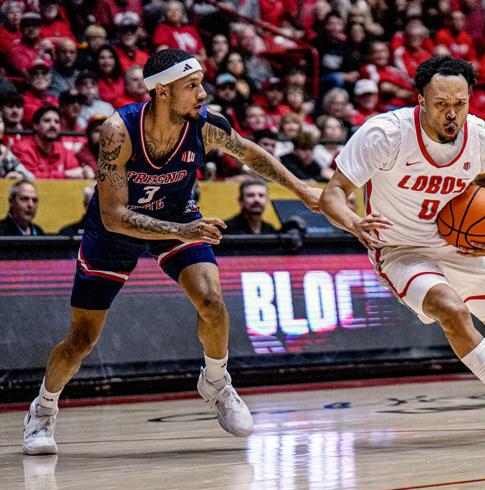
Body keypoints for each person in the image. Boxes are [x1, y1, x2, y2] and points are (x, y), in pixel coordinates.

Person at [21, 49, 322, 456]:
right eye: (192, 86)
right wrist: (182, 230)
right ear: (163, 92)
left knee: (212, 300)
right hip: (116, 231)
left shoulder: (204, 126)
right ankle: (43, 409)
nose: (203, 93)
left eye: (200, 83)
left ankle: (216, 380)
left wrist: (301, 188)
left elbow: (251, 153)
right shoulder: (118, 130)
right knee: (81, 339)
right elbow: (113, 215)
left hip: (178, 216)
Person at [319, 55, 485, 448]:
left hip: (456, 244)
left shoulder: (480, 135)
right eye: (440, 105)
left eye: (460, 104)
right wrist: (353, 222)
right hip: (399, 249)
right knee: (451, 308)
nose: (452, 114)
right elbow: (332, 194)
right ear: (420, 100)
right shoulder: (384, 134)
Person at [11, 105, 90, 179]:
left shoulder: (64, 151)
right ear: (35, 125)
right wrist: (65, 174)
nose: (53, 125)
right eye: (47, 121)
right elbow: (28, 177)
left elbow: (76, 172)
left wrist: (85, 173)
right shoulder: (22, 148)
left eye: (57, 122)